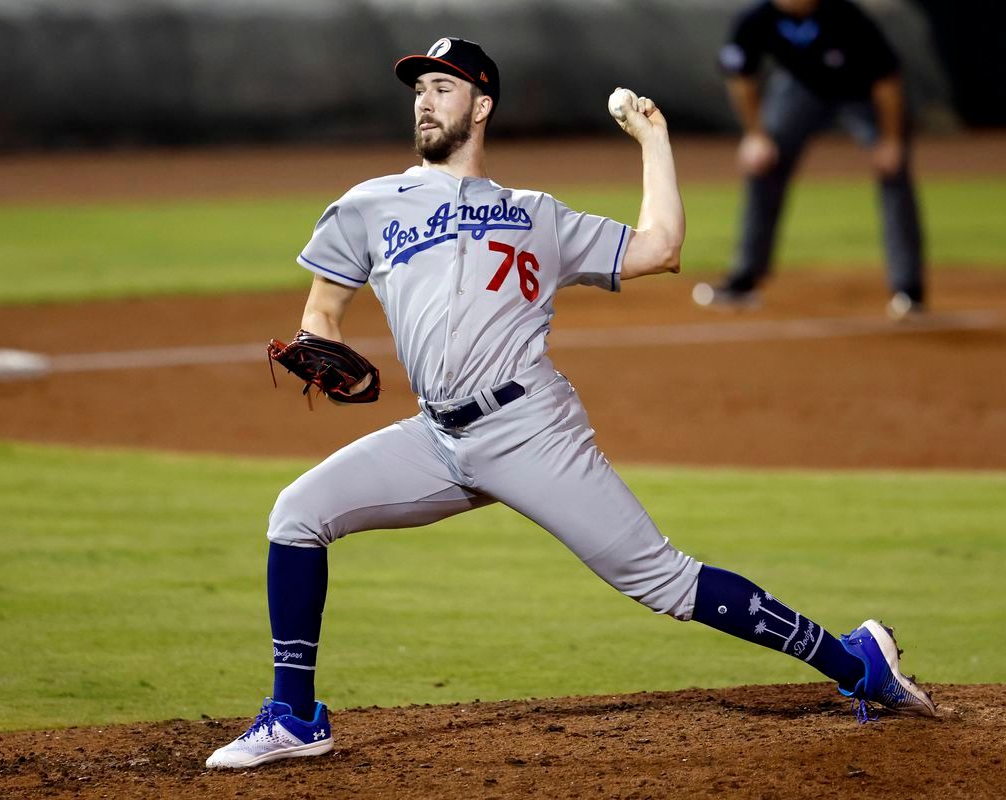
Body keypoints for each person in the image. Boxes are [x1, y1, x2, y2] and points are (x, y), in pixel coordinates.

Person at [205, 36, 935, 770]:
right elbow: (321, 310)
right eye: (419, 88)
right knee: (297, 515)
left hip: (530, 431)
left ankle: (856, 662)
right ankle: (296, 716)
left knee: (663, 580)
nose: (425, 100)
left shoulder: (537, 216)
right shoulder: (367, 205)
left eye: (443, 88)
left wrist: (654, 141)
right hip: (436, 438)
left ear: (481, 107)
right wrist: (320, 342)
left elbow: (660, 247)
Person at [694, 0, 926, 319]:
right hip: (801, 89)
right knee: (763, 164)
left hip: (859, 92)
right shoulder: (758, 19)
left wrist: (891, 140)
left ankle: (908, 289)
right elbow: (741, 76)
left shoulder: (846, 17)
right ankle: (744, 279)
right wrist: (755, 135)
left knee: (894, 169)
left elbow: (887, 81)